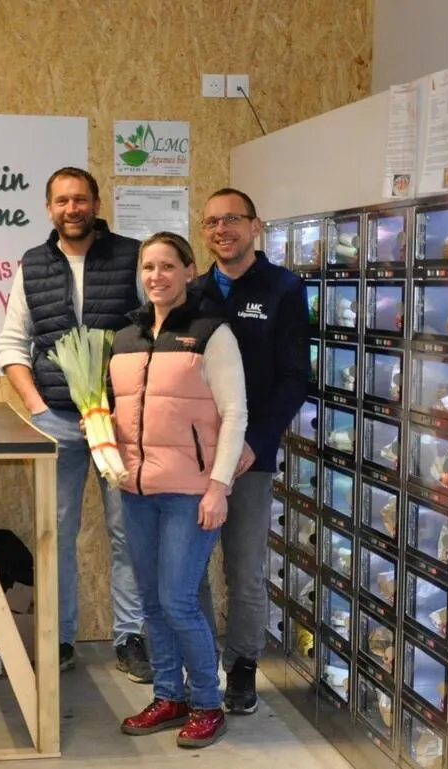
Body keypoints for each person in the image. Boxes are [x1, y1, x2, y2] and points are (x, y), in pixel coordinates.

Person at [0, 166, 150, 679]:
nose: (72, 209)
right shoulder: (33, 264)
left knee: (126, 531)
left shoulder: (131, 256)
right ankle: (59, 638)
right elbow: (11, 345)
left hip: (120, 423)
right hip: (58, 420)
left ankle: (130, 637)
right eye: (62, 201)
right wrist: (38, 409)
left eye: (81, 199)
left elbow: (156, 329)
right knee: (56, 532)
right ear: (49, 208)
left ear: (96, 203)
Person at [111, 232, 251, 749]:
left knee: (177, 599)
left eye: (168, 266)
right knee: (151, 600)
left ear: (189, 271)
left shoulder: (211, 333)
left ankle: (207, 702)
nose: (156, 276)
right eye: (149, 267)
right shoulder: (124, 337)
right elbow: (118, 411)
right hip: (137, 490)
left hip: (191, 492)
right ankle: (169, 694)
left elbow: (236, 413)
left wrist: (218, 486)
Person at [194, 188, 310, 714]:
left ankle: (242, 667)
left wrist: (255, 443)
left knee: (244, 570)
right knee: (188, 571)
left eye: (233, 219)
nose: (223, 230)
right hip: (193, 458)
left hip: (250, 457)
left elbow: (293, 379)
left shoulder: (283, 288)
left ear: (255, 226)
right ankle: (199, 666)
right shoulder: (193, 292)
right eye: (213, 222)